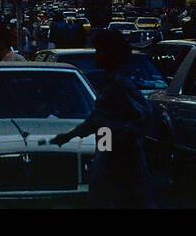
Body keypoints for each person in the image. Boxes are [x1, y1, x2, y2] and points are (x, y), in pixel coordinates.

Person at [51, 30, 153, 208]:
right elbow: (97, 119)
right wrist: (69, 136)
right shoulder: (109, 83)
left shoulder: (120, 84)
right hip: (107, 148)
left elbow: (143, 113)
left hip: (123, 155)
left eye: (99, 51)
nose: (96, 55)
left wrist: (122, 134)